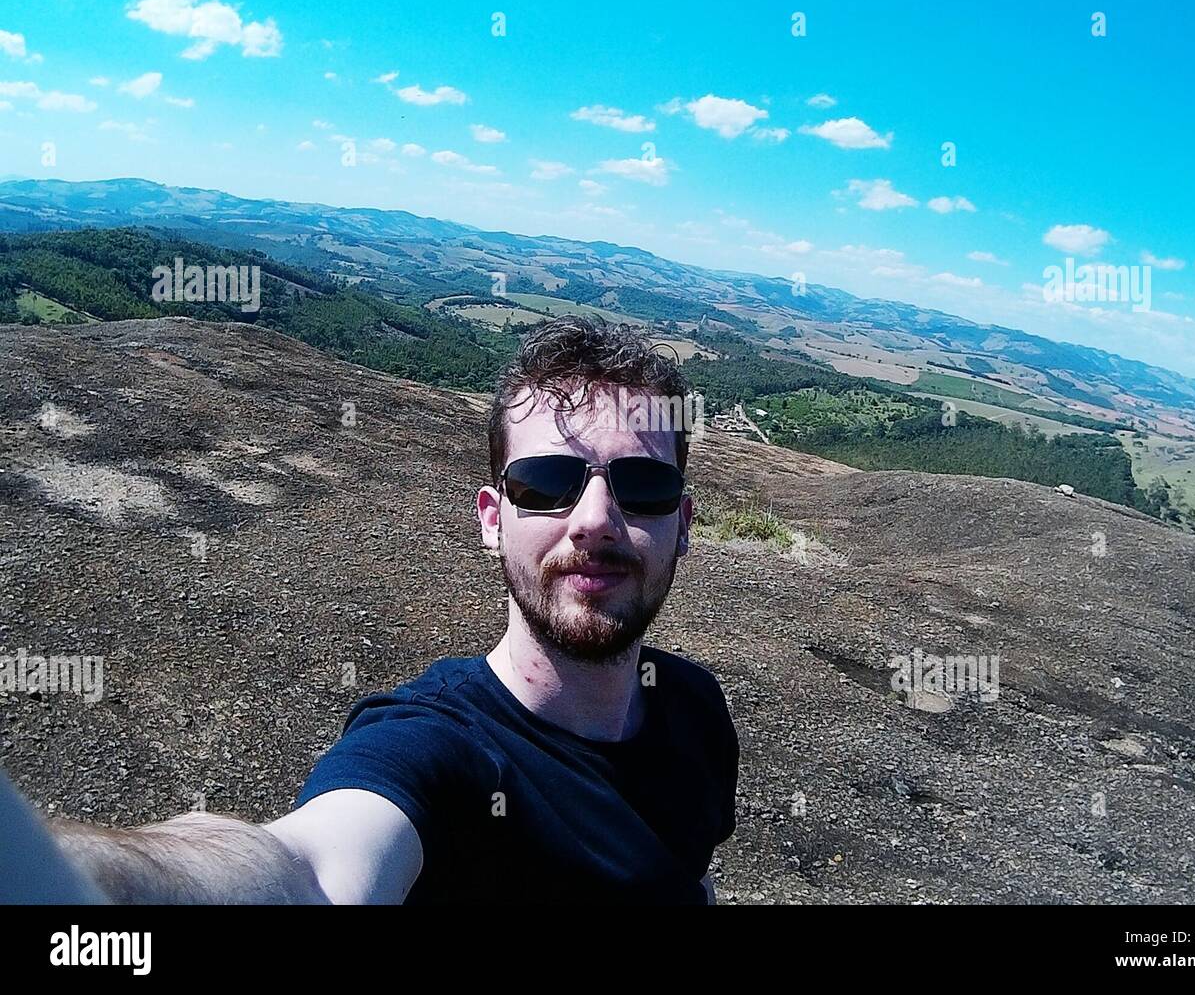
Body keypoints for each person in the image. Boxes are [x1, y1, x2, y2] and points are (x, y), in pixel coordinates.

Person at [1, 316, 738, 905]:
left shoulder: (694, 708)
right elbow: (309, 872)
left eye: (642, 484)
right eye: (547, 481)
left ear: (684, 523)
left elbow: (686, 875)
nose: (595, 519)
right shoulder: (440, 752)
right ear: (491, 518)